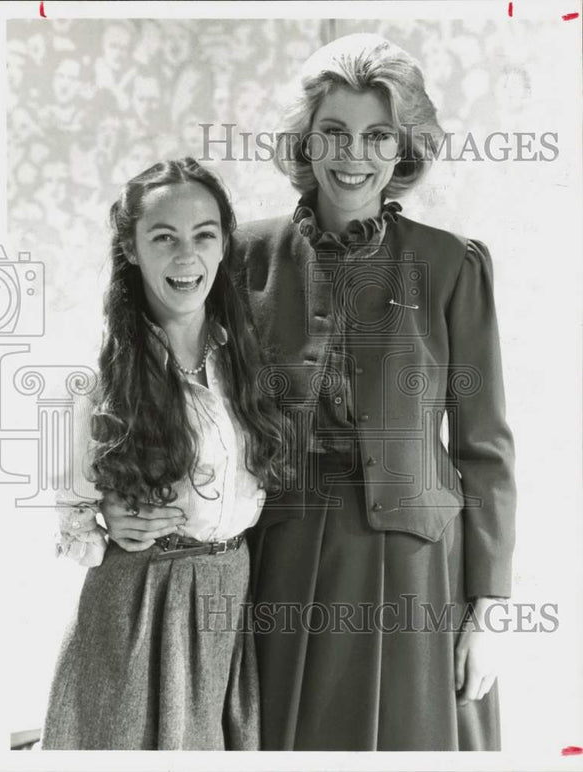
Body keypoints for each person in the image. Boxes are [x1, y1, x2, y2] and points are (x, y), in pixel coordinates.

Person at [104, 33, 517, 751]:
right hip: (277, 560)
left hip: (416, 573)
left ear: (403, 148)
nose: (353, 155)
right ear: (305, 140)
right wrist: (112, 503)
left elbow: (485, 450)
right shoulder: (238, 258)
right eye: (333, 131)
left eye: (377, 135)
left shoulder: (451, 265)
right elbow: (172, 389)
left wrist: (488, 611)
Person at [41, 158, 286, 750]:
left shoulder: (245, 354)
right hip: (140, 602)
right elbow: (68, 502)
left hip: (228, 592)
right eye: (163, 237)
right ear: (130, 248)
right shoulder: (97, 366)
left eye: (204, 236)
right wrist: (104, 512)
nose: (186, 257)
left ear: (224, 245)